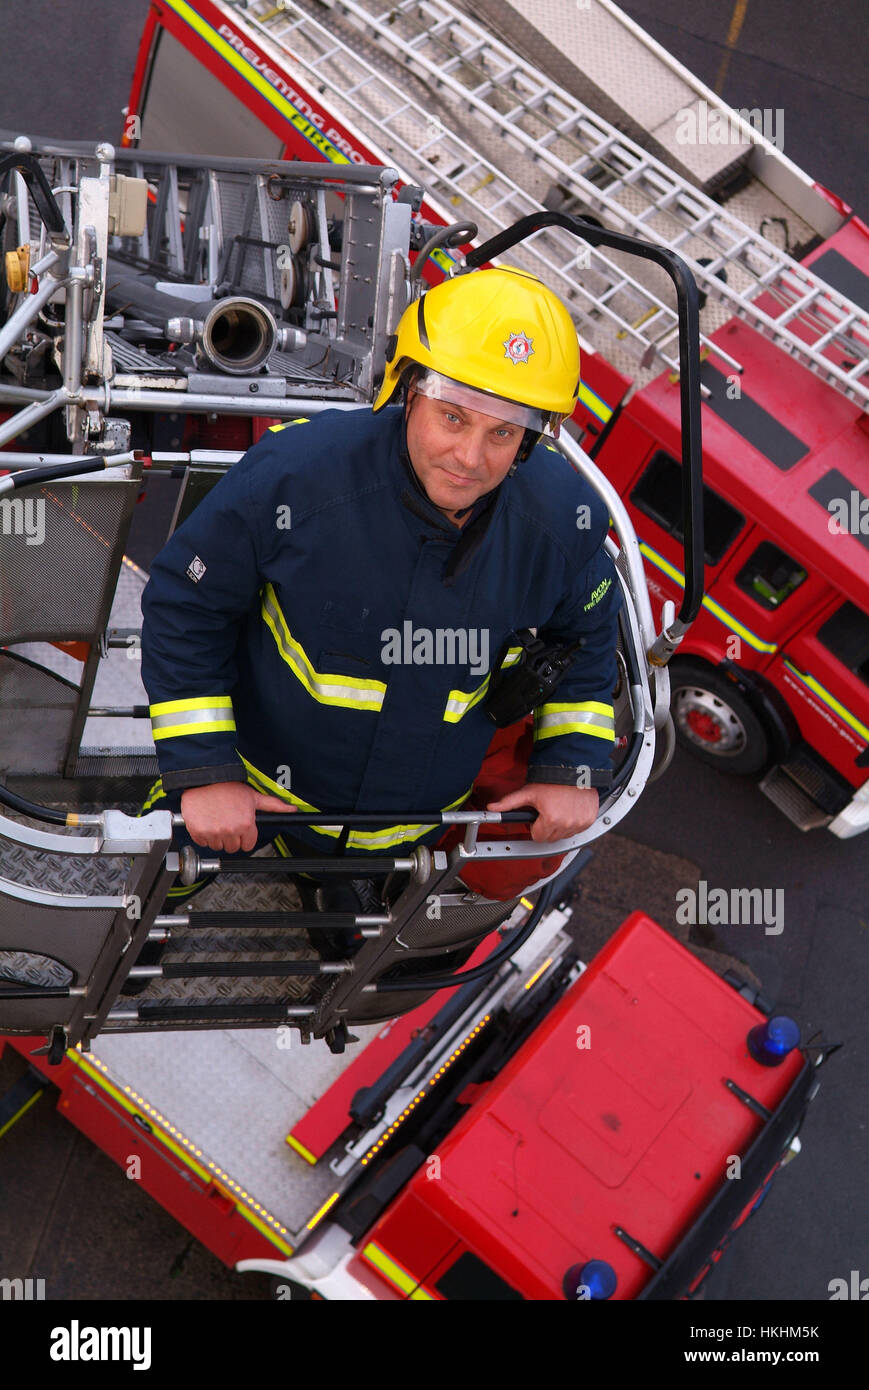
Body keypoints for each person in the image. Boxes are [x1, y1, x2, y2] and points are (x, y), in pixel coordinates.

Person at [139, 265, 623, 927]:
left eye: (502, 434)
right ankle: (145, 926)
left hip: (407, 828)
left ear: (533, 439)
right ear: (408, 390)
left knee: (341, 885)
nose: (469, 457)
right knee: (152, 883)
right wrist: (202, 771)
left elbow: (588, 635)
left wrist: (570, 763)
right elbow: (185, 603)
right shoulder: (298, 477)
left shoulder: (559, 525)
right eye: (451, 417)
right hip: (243, 782)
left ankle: (332, 884)